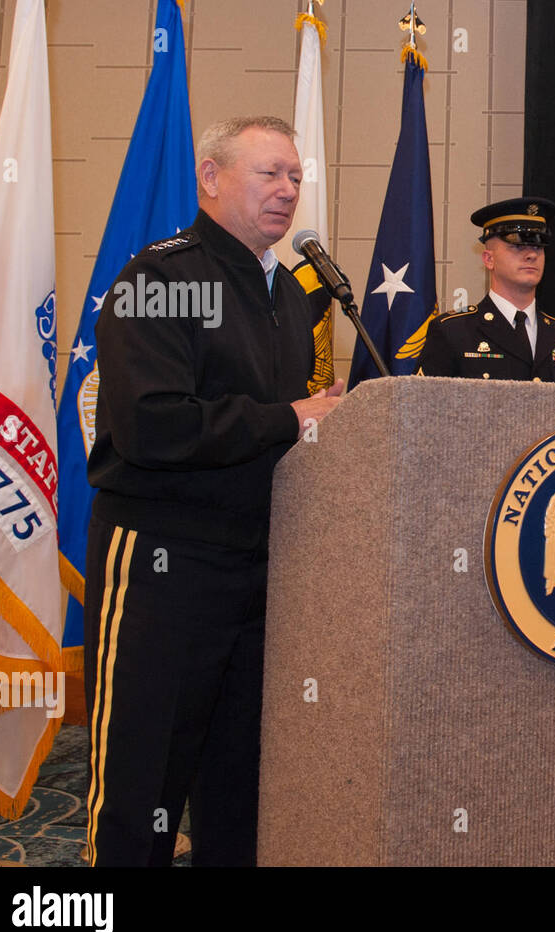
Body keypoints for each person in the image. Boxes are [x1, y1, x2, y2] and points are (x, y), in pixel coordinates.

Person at [83, 116, 344, 866]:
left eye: (295, 176)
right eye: (269, 173)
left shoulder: (293, 293)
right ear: (211, 178)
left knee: (244, 789)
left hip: (263, 572)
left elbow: (293, 436)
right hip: (166, 563)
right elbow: (149, 426)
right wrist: (289, 418)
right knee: (143, 782)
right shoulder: (160, 279)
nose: (288, 190)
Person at [417, 196, 555, 382]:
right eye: (517, 246)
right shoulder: (453, 332)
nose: (531, 254)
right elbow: (422, 407)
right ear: (488, 259)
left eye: (538, 246)